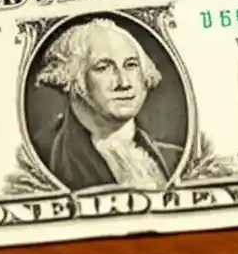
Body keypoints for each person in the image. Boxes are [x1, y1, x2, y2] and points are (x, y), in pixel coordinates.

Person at [32, 17, 182, 190]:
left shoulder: (174, 158)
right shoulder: (47, 162)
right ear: (72, 78)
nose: (124, 83)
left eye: (131, 65)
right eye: (103, 67)